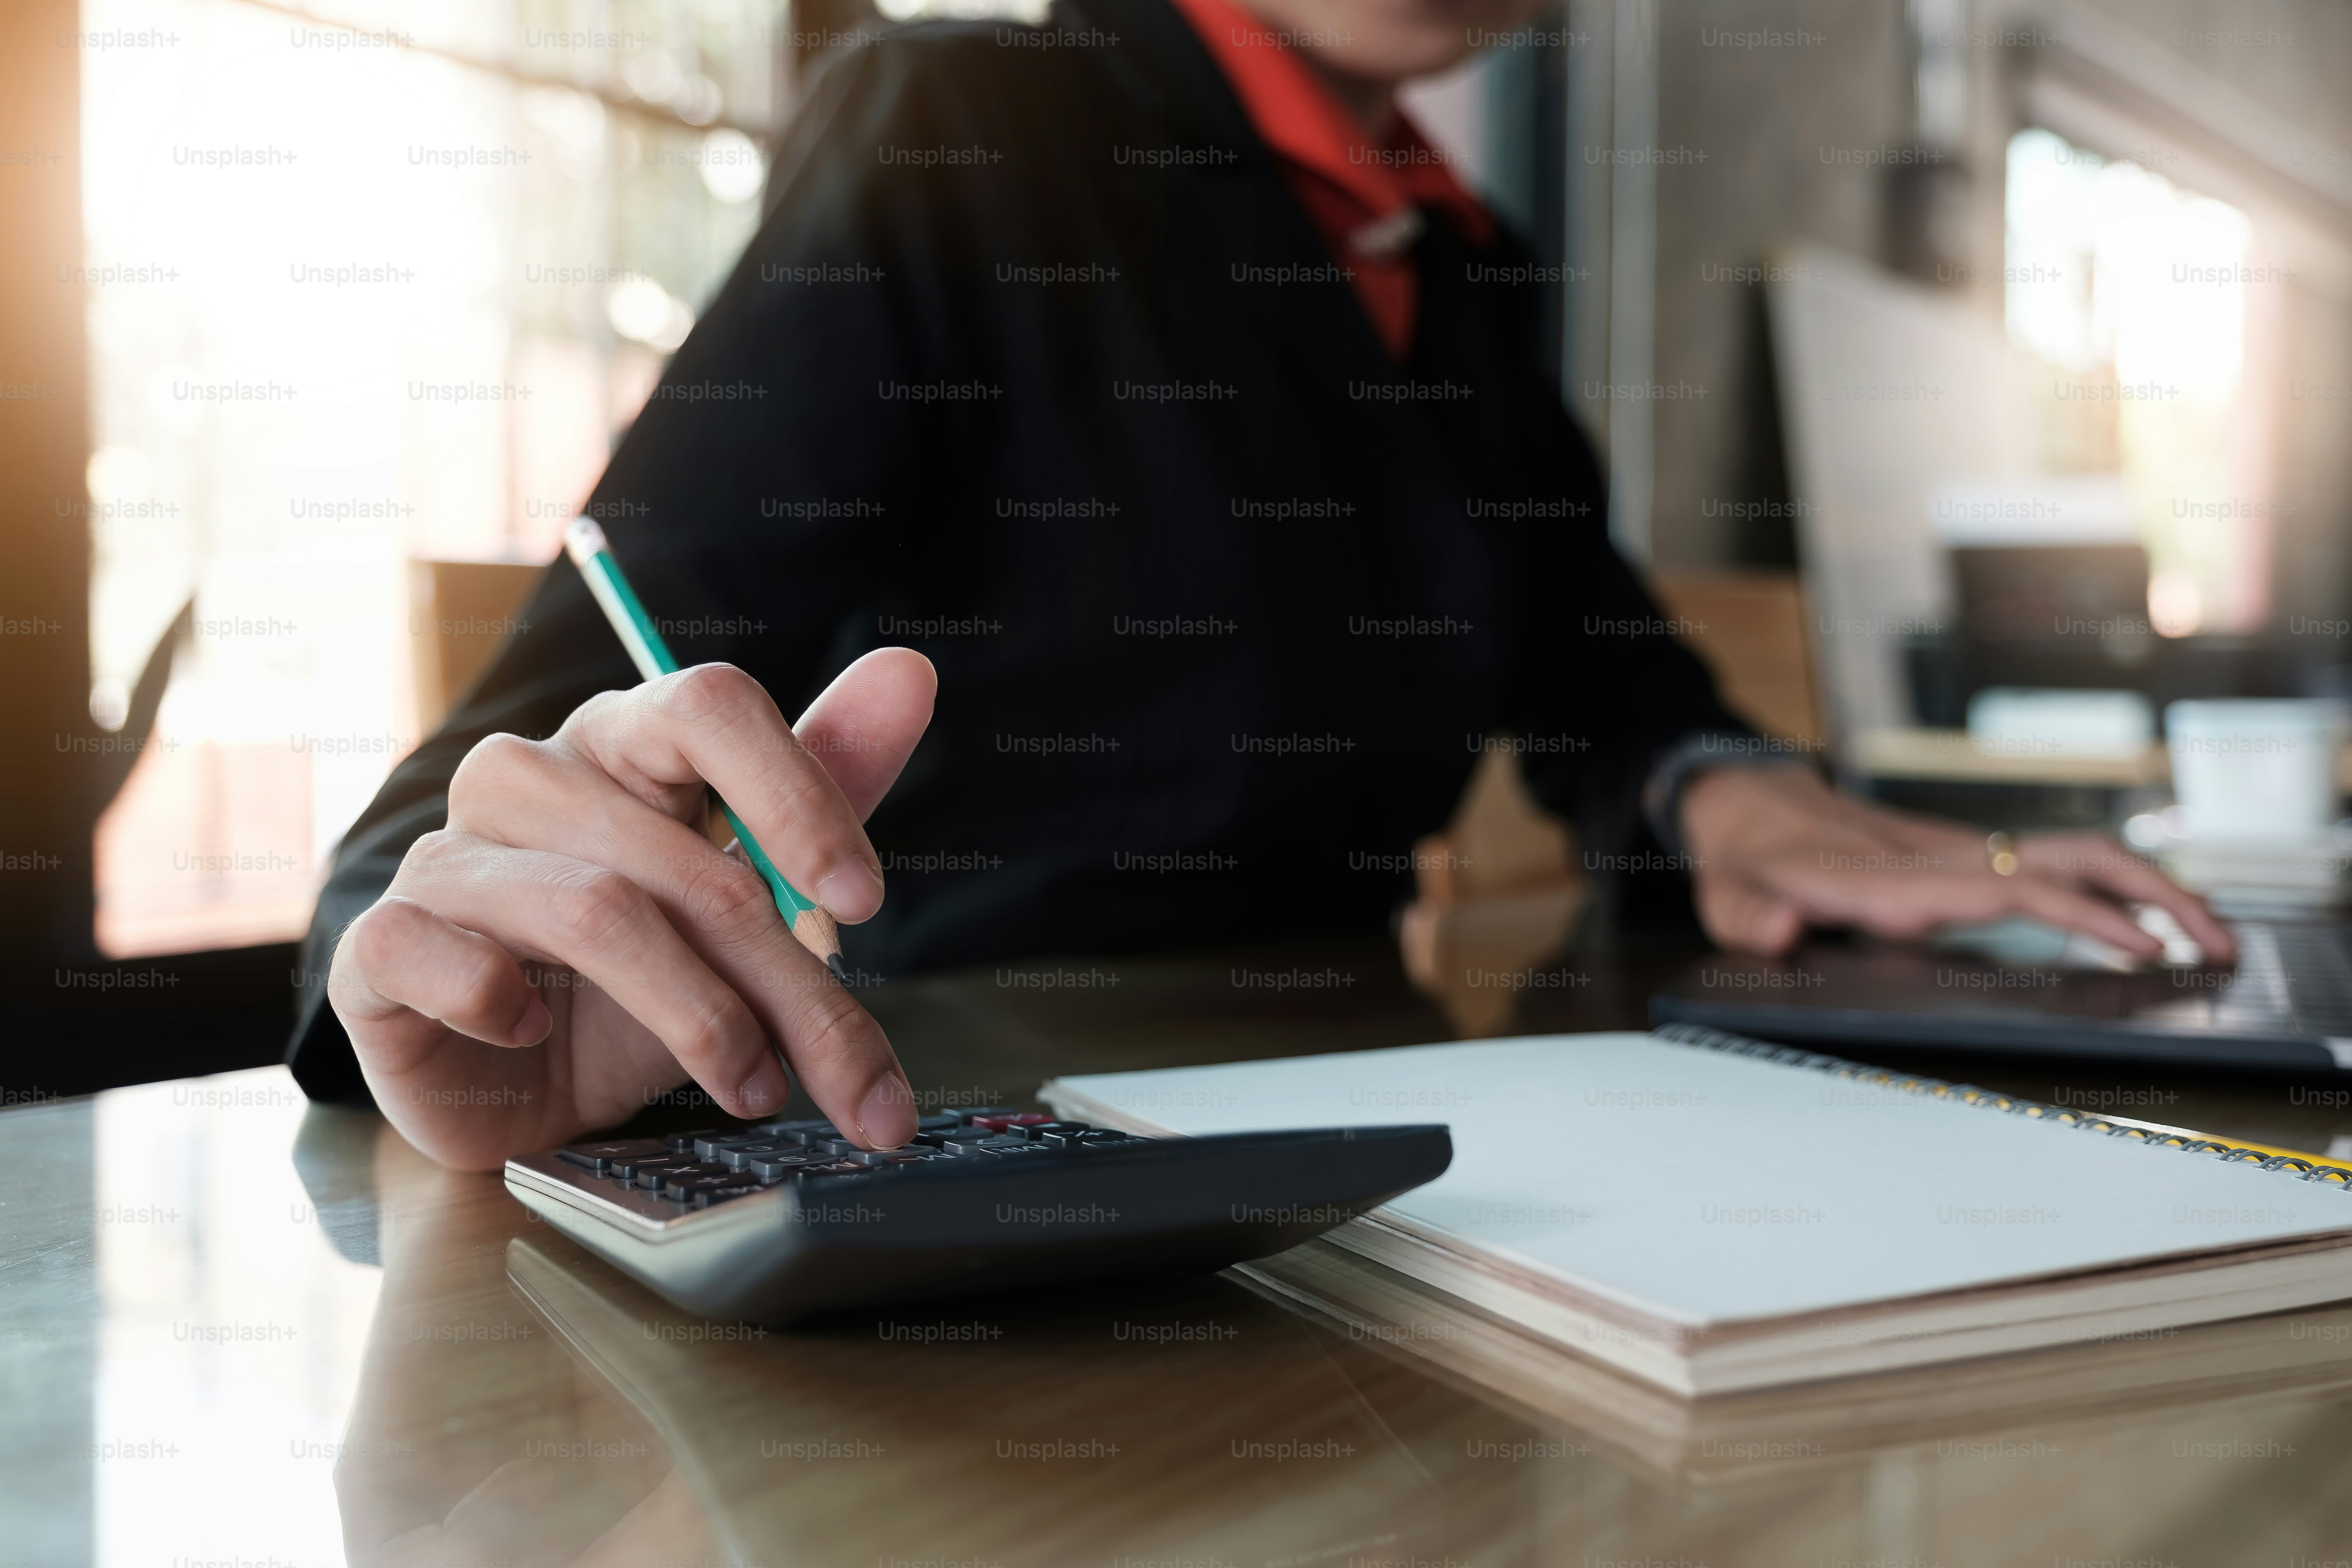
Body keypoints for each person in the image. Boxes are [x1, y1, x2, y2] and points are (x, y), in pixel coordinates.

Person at [289, 0, 2234, 1169]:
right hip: (960, 1136)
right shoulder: (962, 133)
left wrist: (1733, 801)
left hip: (1396, 1154)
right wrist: (443, 957)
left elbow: (1602, 670)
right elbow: (508, 760)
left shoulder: (1459, 259)